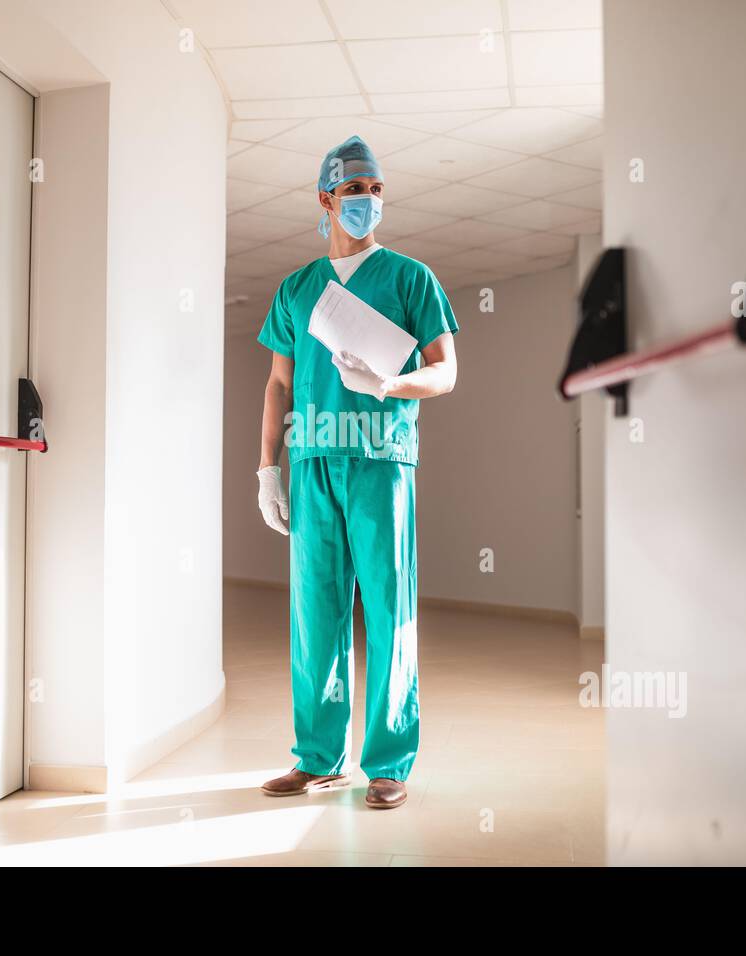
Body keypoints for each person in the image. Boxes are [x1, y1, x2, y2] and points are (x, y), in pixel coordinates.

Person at [254, 135, 459, 810]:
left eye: (375, 191)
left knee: (390, 610)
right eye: (353, 192)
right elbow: (279, 385)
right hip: (312, 464)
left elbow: (445, 370)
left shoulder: (409, 278)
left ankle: (391, 764)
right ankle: (317, 758)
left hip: (381, 461)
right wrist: (267, 470)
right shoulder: (297, 289)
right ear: (325, 199)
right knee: (315, 614)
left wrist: (389, 387)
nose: (366, 203)